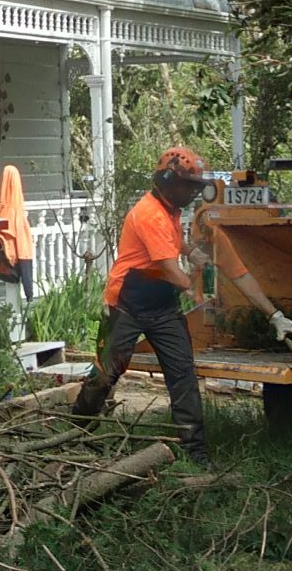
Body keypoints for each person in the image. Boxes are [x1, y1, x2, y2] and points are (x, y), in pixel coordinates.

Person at [71, 145, 215, 459]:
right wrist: (198, 287)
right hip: (127, 302)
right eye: (189, 185)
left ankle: (195, 452)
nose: (193, 192)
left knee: (182, 374)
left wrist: (192, 252)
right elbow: (170, 269)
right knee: (107, 371)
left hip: (162, 306)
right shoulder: (150, 214)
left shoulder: (171, 210)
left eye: (196, 187)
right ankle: (76, 428)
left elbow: (175, 242)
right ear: (169, 181)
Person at [0, 163, 35, 311]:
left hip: (2, 272)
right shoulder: (17, 217)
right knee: (13, 308)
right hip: (14, 271)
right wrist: (29, 291)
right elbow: (24, 253)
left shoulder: (4, 214)